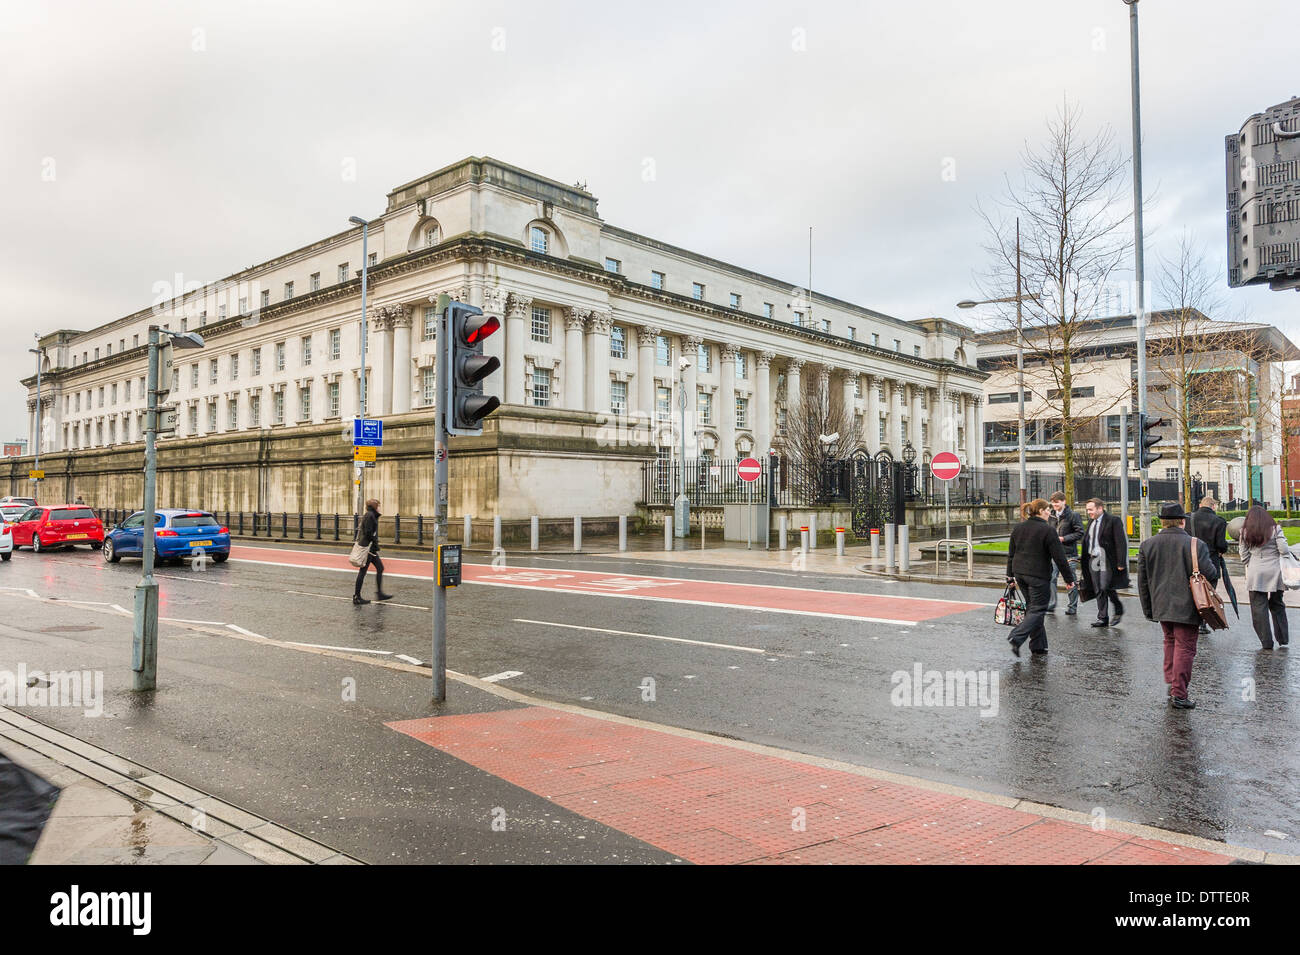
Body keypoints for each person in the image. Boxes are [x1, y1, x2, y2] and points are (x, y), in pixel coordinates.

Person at [1137, 503, 1219, 710]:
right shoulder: (1195, 544)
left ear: (1162, 522)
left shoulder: (1147, 545)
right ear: (1182, 521)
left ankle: (1172, 682)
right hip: (1188, 605)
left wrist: (1148, 610)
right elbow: (1211, 574)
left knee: (1170, 641)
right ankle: (1179, 693)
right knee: (1185, 647)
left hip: (1160, 605)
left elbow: (1142, 582)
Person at [1005, 498, 1076, 657]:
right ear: (1041, 511)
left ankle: (1038, 646)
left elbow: (1011, 554)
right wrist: (1069, 579)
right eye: (1048, 510)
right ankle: (1017, 636)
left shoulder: (1019, 528)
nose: (1050, 513)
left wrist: (1009, 576)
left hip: (1020, 574)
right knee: (1038, 609)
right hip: (1038, 575)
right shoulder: (1048, 530)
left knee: (1032, 608)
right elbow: (1059, 557)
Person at [1237, 505, 1293, 650]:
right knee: (1277, 604)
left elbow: (1243, 555)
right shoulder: (1275, 529)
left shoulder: (1244, 531)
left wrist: (1252, 563)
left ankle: (1266, 642)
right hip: (1275, 572)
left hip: (1256, 572)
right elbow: (1284, 550)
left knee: (1258, 608)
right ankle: (1283, 638)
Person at [1079, 497, 1130, 628]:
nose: (1088, 512)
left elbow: (1120, 542)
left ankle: (1118, 607)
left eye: (1091, 509)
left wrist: (1121, 562)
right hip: (1093, 558)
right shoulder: (1091, 522)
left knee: (1105, 586)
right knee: (1097, 588)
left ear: (1100, 508)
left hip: (1106, 559)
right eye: (1087, 510)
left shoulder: (1113, 521)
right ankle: (1102, 618)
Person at [1189, 496, 1231, 635]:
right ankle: (1202, 624)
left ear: (1200, 505)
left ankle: (1191, 622)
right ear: (1213, 506)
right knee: (1208, 593)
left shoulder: (1190, 518)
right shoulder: (1219, 521)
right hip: (1210, 561)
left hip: (1191, 560)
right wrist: (1221, 550)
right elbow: (1221, 545)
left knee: (1191, 591)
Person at [1047, 492, 1084, 615]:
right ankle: (1052, 604)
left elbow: (1080, 533)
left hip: (1069, 554)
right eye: (1053, 503)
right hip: (1054, 554)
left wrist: (1064, 538)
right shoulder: (1051, 516)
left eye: (1057, 502)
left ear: (1064, 501)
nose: (1054, 505)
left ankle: (1072, 606)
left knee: (1070, 580)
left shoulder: (1073, 515)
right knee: (1051, 578)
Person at [353, 498, 393, 605]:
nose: (379, 507)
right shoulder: (370, 516)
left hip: (371, 548)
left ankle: (379, 593)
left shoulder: (371, 515)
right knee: (363, 571)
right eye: (378, 505)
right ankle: (357, 597)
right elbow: (368, 532)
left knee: (380, 568)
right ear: (374, 506)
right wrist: (375, 541)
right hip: (368, 548)